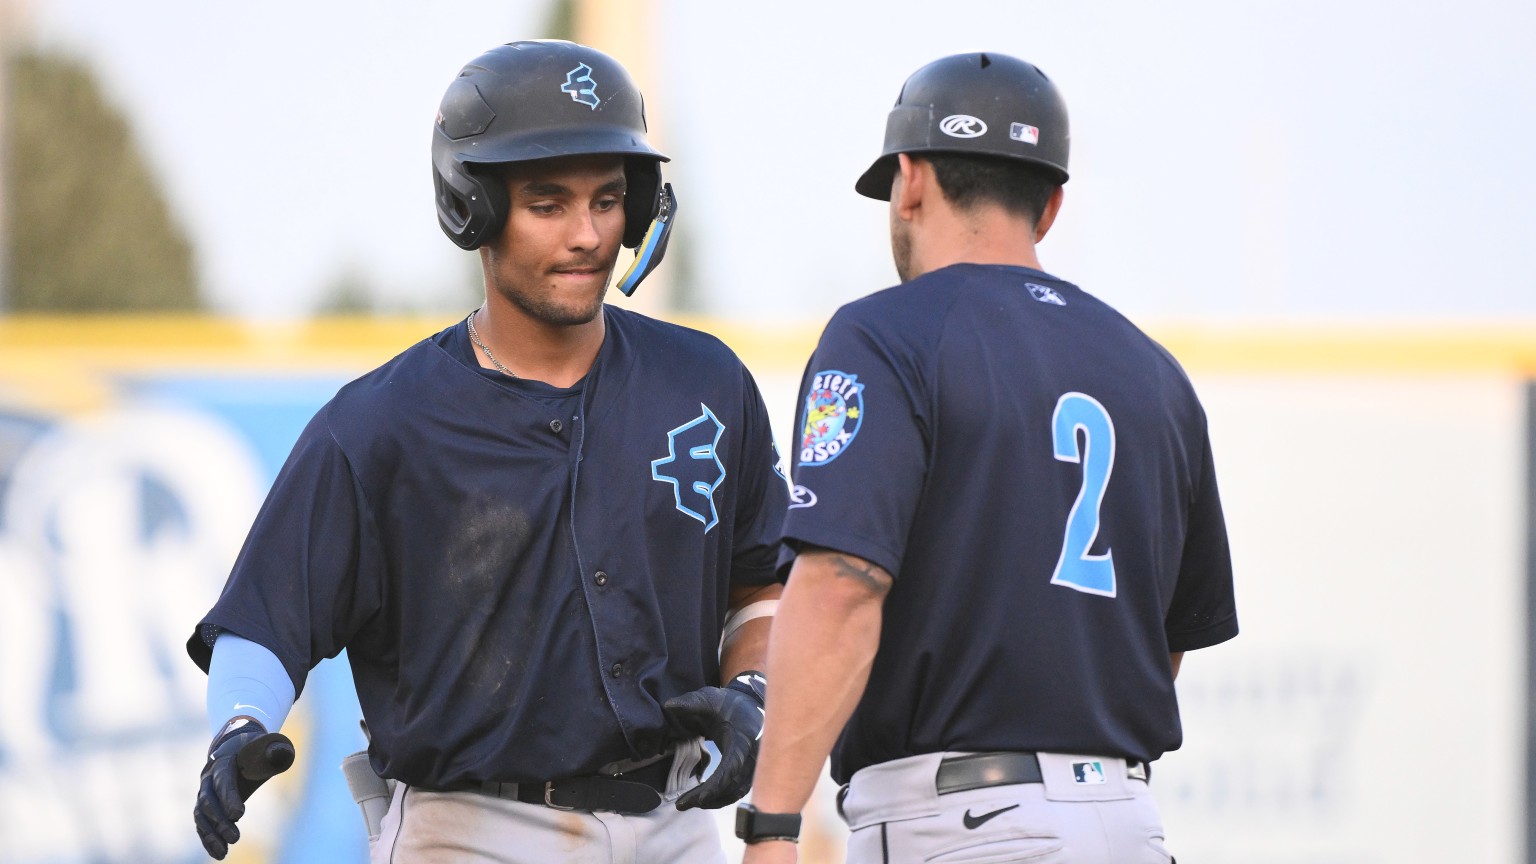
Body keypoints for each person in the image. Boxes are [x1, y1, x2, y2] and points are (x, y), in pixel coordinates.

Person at [187, 40, 788, 863]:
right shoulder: (382, 422)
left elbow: (763, 581)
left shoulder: (706, 383)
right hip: (471, 832)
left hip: (675, 827)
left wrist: (755, 687)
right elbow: (266, 617)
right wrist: (240, 725)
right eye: (548, 204)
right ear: (473, 206)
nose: (587, 234)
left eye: (609, 200)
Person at [736, 52, 1238, 863]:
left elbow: (840, 585)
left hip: (962, 822)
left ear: (909, 180)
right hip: (1127, 820)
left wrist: (772, 823)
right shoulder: (1155, 373)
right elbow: (1169, 635)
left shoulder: (885, 334)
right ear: (1051, 205)